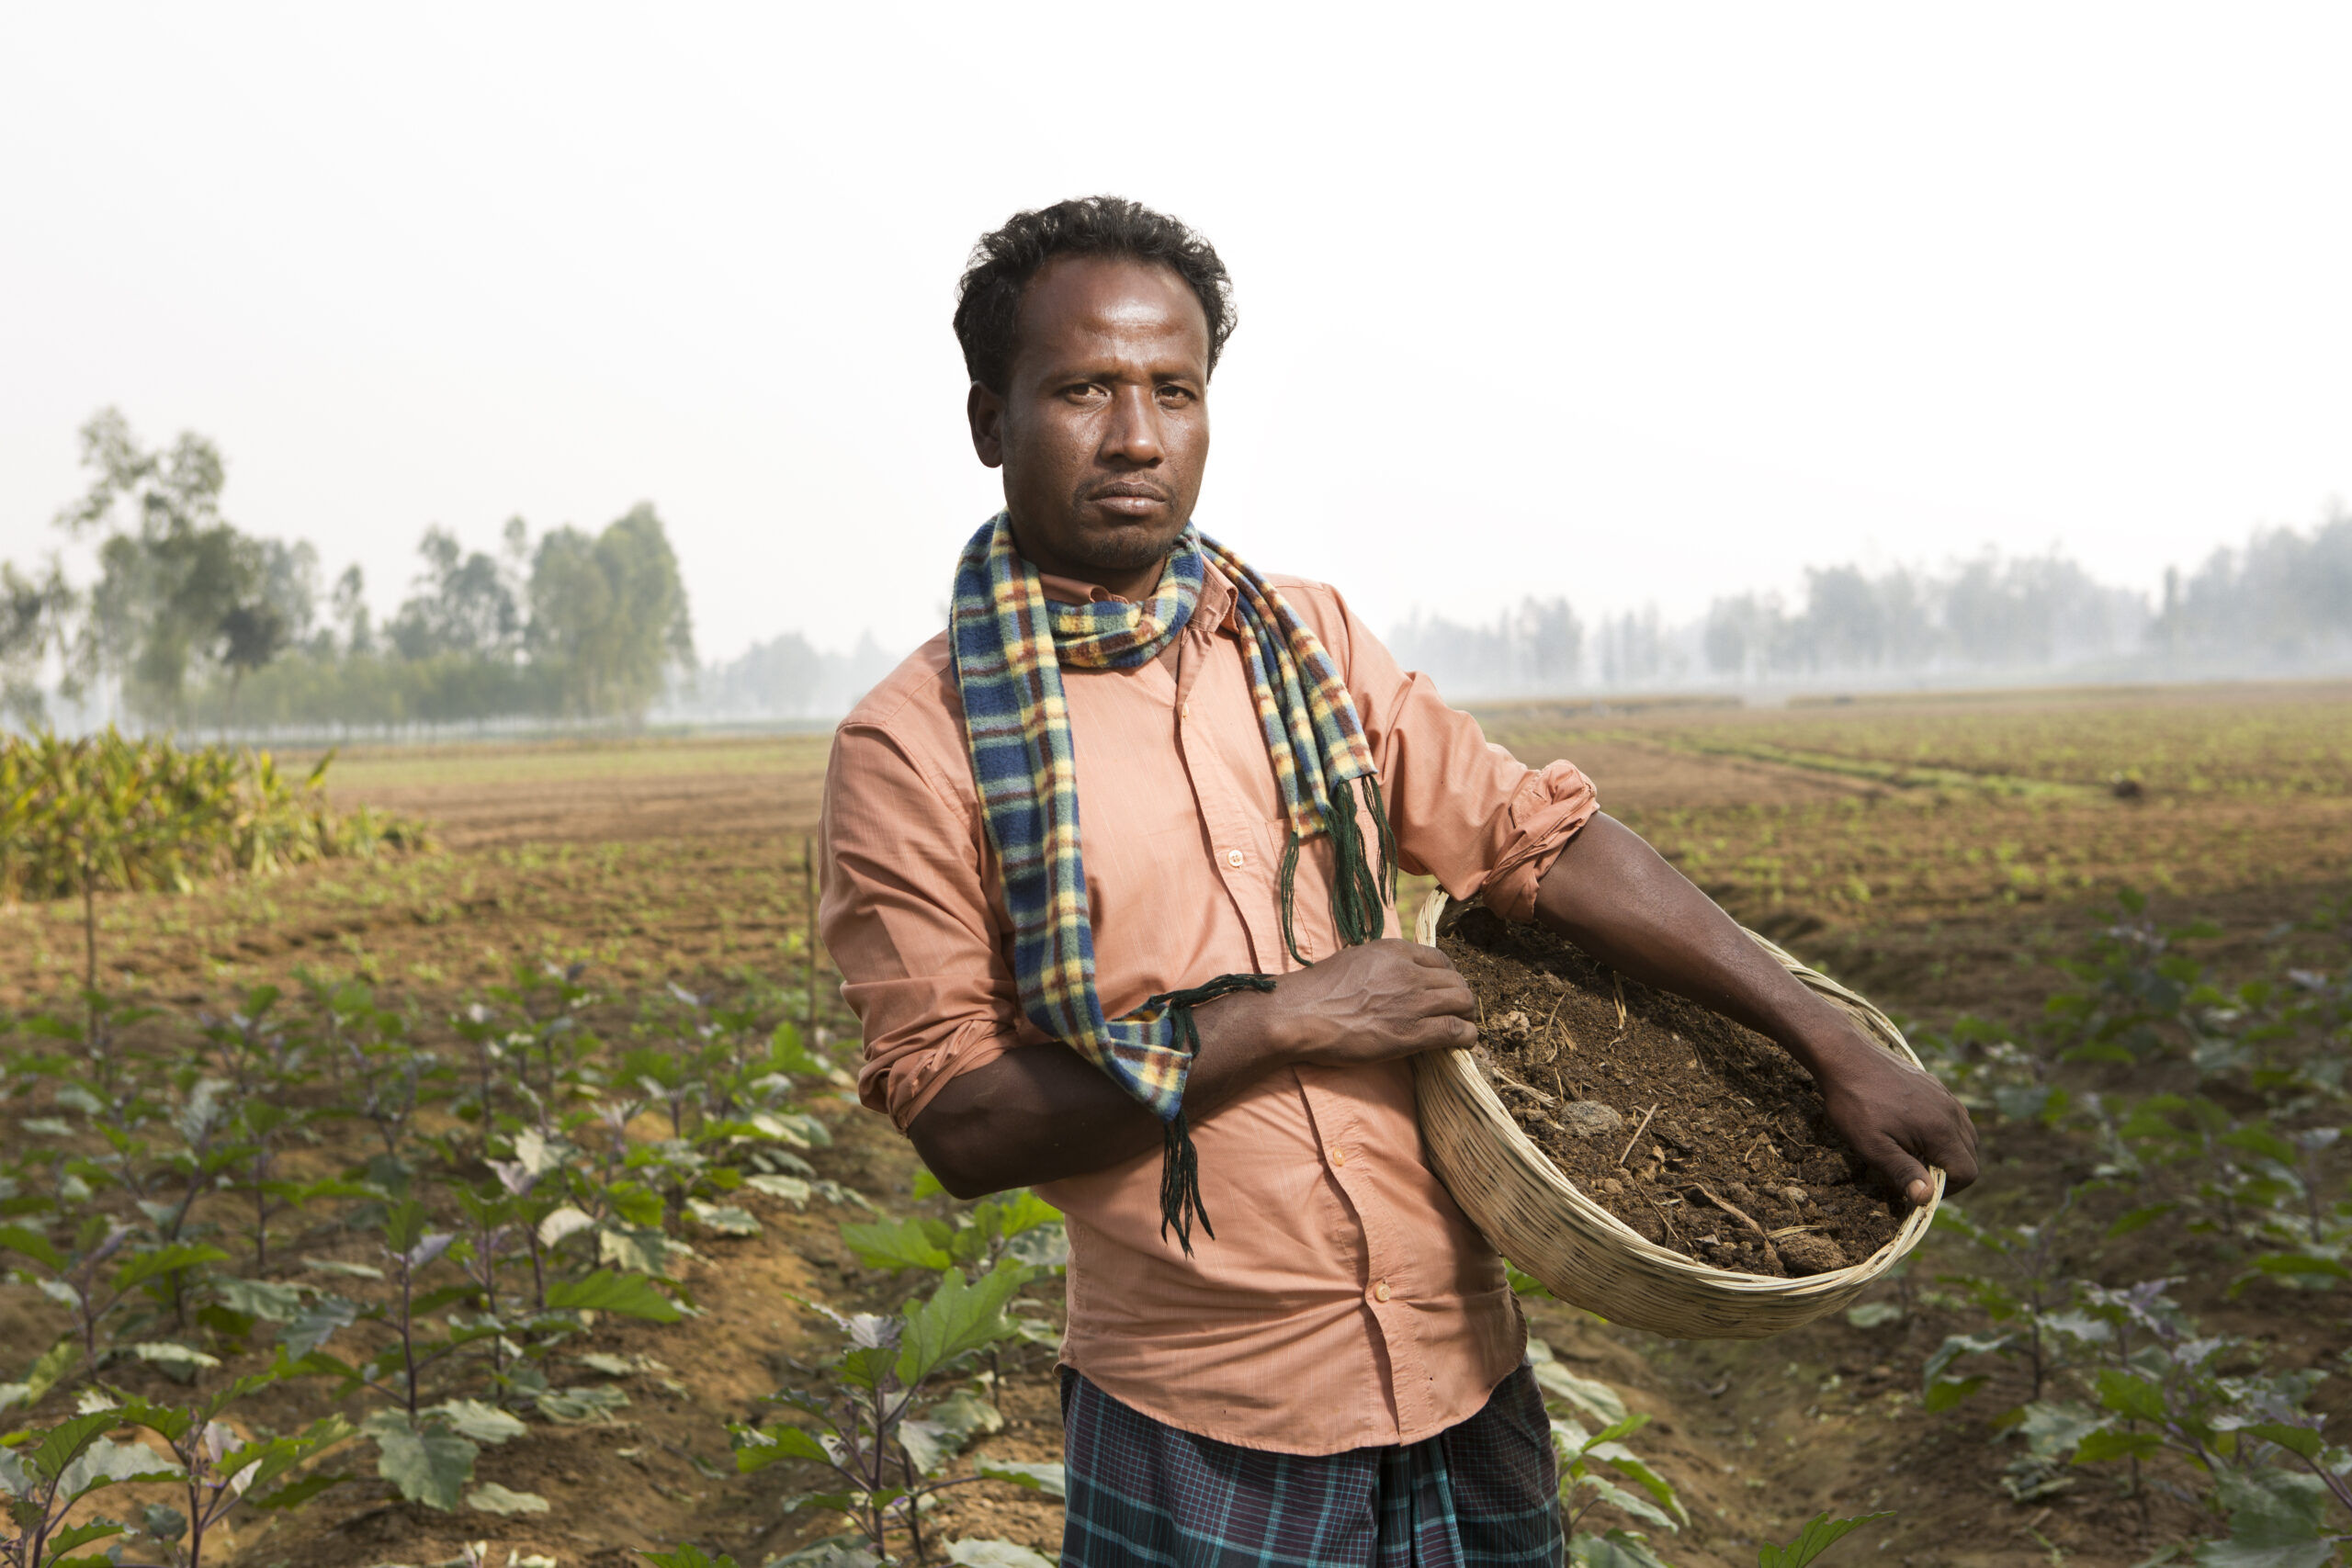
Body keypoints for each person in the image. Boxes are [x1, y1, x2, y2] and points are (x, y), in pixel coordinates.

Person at [818, 195, 1979, 1568]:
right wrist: (1302, 1014)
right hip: (1203, 1414)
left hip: (1457, 1370)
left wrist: (1829, 1041)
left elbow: (1533, 841)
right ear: (989, 422)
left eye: (1174, 391)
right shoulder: (917, 743)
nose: (1137, 436)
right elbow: (965, 1118)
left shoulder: (1303, 643)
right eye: (1083, 389)